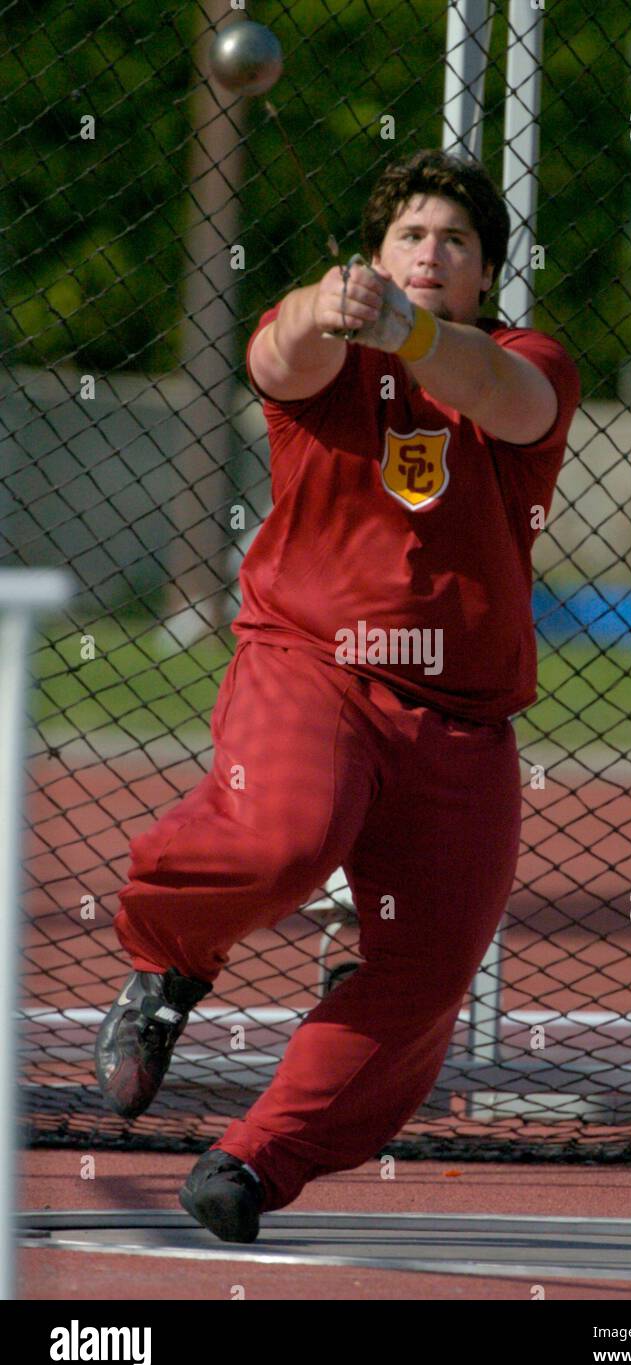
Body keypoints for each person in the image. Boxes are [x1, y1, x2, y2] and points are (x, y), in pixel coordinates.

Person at [95, 149, 580, 1243]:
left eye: (453, 241)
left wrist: (408, 333)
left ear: (484, 273)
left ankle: (256, 1163)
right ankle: (168, 955)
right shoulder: (329, 341)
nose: (429, 254)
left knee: (428, 968)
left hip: (460, 717)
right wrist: (326, 310)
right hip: (309, 666)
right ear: (373, 255)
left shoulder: (523, 358)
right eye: (409, 234)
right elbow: (277, 358)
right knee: (283, 837)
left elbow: (506, 398)